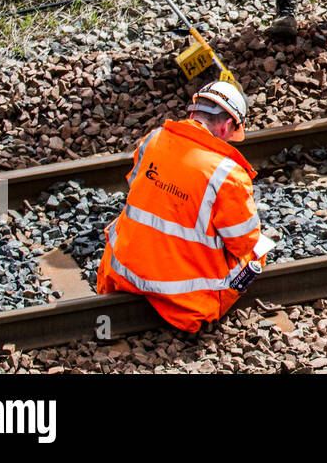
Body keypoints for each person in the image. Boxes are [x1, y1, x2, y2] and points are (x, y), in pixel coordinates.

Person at [96, 81, 268, 333]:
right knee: (257, 252)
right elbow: (243, 242)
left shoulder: (153, 139)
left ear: (193, 113)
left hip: (123, 271)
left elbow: (138, 186)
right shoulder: (227, 174)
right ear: (227, 125)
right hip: (181, 299)